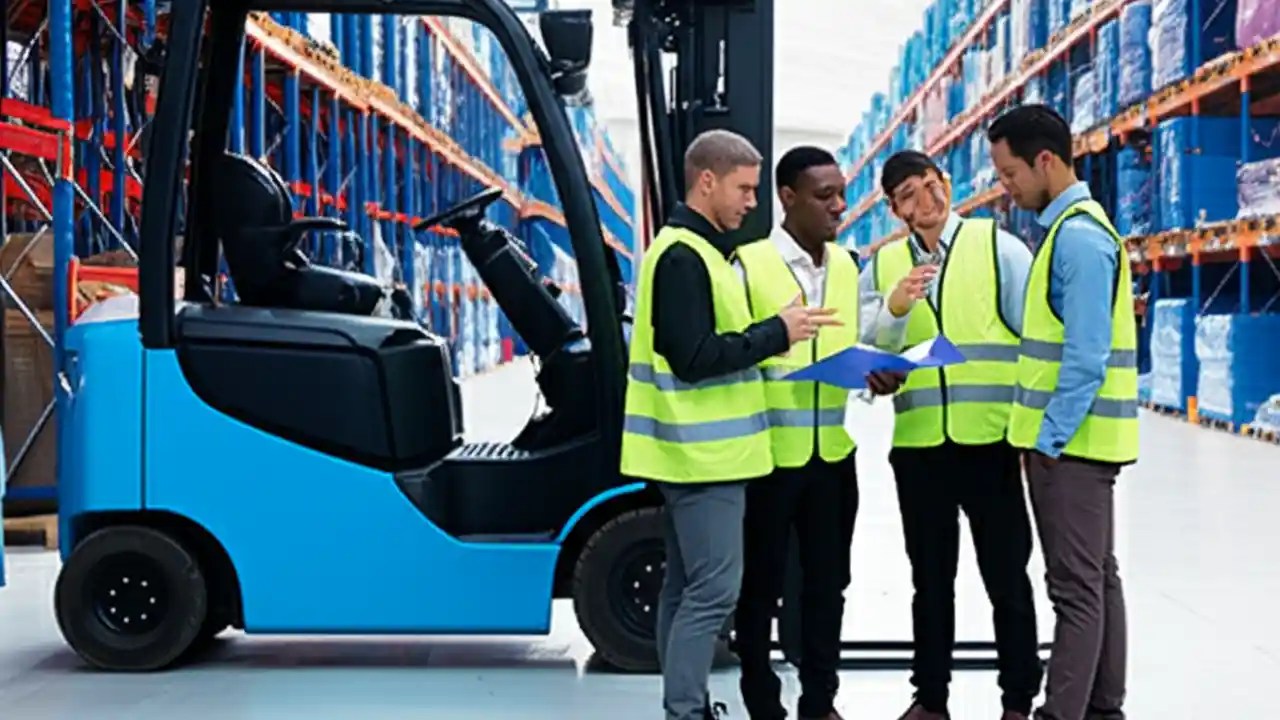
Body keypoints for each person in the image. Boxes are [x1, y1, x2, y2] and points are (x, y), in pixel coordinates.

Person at [620, 129, 842, 720]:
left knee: (680, 588)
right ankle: (687, 711)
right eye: (744, 188)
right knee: (714, 592)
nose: (752, 201)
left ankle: (683, 704)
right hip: (703, 456)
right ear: (707, 181)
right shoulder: (683, 258)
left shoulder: (700, 252)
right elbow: (691, 357)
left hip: (693, 451)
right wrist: (777, 332)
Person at [862, 149, 1043, 720]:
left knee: (1007, 579)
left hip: (990, 443)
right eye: (909, 195)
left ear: (945, 182)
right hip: (919, 449)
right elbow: (868, 352)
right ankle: (930, 699)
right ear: (895, 210)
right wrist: (894, 308)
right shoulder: (884, 266)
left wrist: (1030, 430)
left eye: (930, 184)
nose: (926, 200)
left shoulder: (1000, 248)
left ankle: (1018, 700)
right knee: (930, 582)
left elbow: (1038, 340)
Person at [730, 146, 892, 720]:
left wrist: (875, 374)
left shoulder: (848, 266)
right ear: (787, 198)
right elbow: (734, 354)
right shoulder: (747, 265)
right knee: (759, 588)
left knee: (828, 586)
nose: (839, 206)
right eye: (825, 196)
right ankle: (761, 700)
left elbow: (848, 346)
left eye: (842, 193)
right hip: (770, 457)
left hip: (831, 455)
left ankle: (820, 702)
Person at [988, 104, 1136, 720]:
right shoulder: (1072, 230)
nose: (1006, 186)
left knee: (1074, 589)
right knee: (1098, 577)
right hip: (1077, 445)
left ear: (1045, 160)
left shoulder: (1076, 238)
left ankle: (1064, 713)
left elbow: (1084, 358)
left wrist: (1048, 440)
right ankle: (1103, 708)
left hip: (1070, 448)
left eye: (1009, 172)